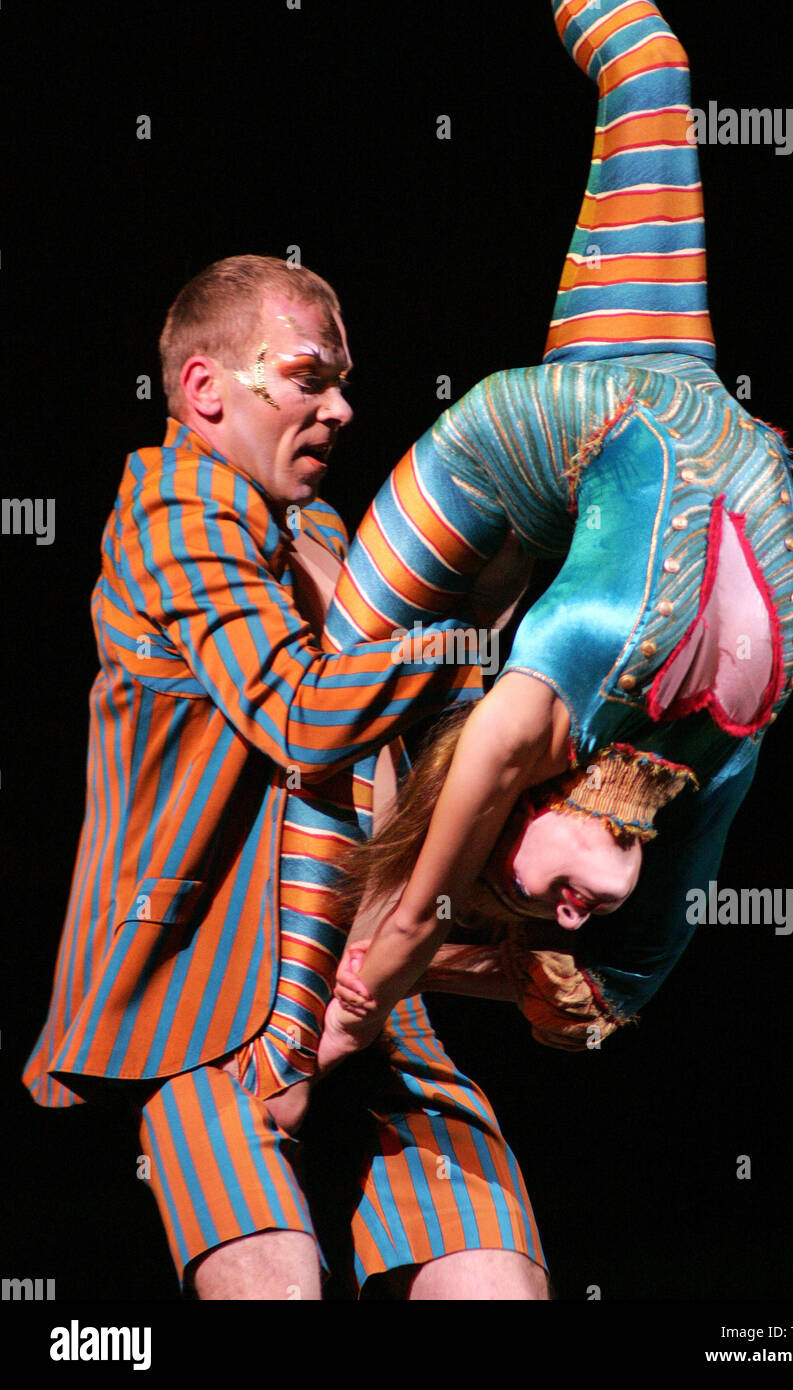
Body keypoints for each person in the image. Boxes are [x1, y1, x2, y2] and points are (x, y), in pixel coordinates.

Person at [21, 254, 548, 1300]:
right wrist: (460, 644)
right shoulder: (173, 514)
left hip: (366, 985)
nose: (342, 407)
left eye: (342, 381)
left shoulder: (316, 532)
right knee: (275, 1286)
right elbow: (304, 714)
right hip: (212, 1000)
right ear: (207, 390)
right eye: (309, 377)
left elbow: (401, 735)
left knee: (495, 1282)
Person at [316, 0, 793, 1065]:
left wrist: (396, 945)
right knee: (645, 54)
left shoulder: (573, 682)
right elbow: (615, 986)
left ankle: (300, 975)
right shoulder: (703, 782)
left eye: (529, 895)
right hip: (664, 375)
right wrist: (489, 965)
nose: (565, 917)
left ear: (524, 800)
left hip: (507, 454)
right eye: (555, 918)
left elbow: (490, 750)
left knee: (330, 734)